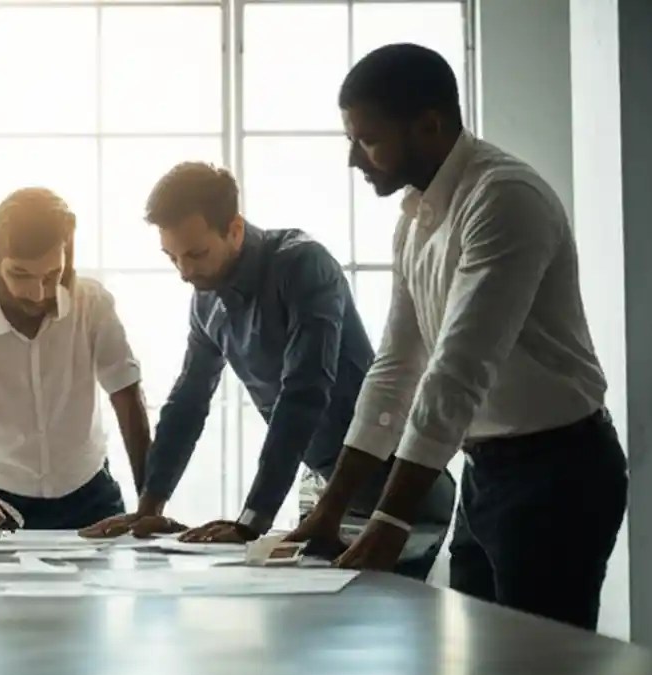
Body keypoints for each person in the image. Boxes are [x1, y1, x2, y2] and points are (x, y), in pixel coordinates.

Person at [287, 43, 626, 630]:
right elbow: (397, 365)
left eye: (367, 140)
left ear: (429, 125)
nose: (353, 158)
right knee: (480, 672)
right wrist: (333, 506)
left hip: (560, 472)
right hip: (485, 470)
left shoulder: (504, 198)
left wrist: (391, 520)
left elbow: (458, 369)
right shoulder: (416, 220)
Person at [79, 162, 455, 581]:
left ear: (234, 229)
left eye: (196, 254)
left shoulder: (302, 265)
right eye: (173, 258)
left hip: (396, 488)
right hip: (324, 489)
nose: (185, 272)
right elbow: (187, 402)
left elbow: (304, 391)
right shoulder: (205, 302)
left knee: (389, 621)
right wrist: (150, 506)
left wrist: (252, 519)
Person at [0, 187, 151, 533]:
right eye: (21, 275)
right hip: (2, 505)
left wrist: (149, 500)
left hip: (93, 497)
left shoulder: (92, 304)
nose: (38, 293)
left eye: (52, 276)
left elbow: (126, 396)